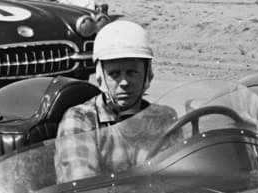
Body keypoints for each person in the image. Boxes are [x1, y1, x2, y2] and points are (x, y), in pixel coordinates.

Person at [54, 20, 178, 183]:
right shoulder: (80, 121)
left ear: (148, 74)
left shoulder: (163, 117)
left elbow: (178, 177)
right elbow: (84, 190)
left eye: (132, 72)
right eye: (114, 74)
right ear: (101, 77)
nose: (124, 82)